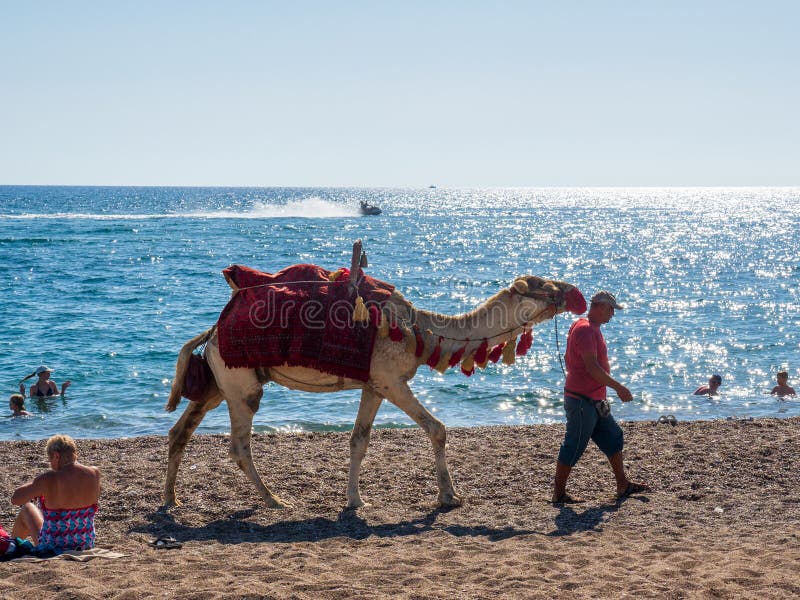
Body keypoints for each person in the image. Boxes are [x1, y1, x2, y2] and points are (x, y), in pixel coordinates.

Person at [552, 290, 649, 503]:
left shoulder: (589, 327)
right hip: (581, 400)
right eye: (611, 309)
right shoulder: (586, 329)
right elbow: (592, 368)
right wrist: (619, 387)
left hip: (596, 400)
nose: (613, 314)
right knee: (574, 445)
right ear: (600, 306)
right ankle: (558, 494)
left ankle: (622, 485)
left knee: (614, 436)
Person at [7, 434, 100, 552]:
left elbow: (15, 499)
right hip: (84, 544)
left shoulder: (49, 478)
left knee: (27, 508)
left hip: (54, 547)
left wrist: (38, 486)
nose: (50, 464)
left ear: (56, 456)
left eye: (50, 459)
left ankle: (11, 549)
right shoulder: (94, 474)